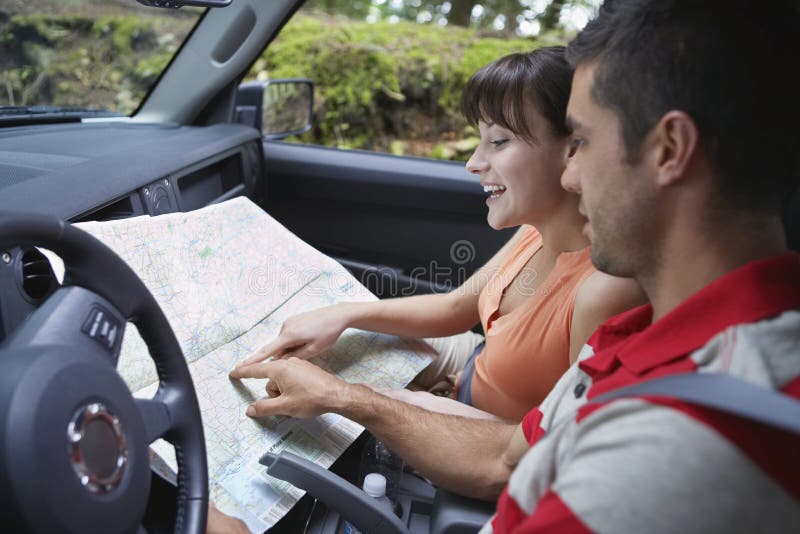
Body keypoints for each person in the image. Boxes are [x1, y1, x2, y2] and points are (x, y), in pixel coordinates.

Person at [217, 0, 800, 531]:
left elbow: (507, 465)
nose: (571, 177)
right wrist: (352, 384)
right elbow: (512, 451)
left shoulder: (660, 454)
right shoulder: (643, 342)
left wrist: (354, 400)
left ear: (669, 150)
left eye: (585, 142)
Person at [235, 47, 644, 422]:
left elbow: (557, 444)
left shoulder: (604, 291)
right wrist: (346, 313)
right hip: (468, 369)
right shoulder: (535, 230)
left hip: (490, 433)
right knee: (311, 352)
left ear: (574, 148)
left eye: (498, 141)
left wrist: (412, 409)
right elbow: (456, 308)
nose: (473, 163)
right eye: (479, 140)